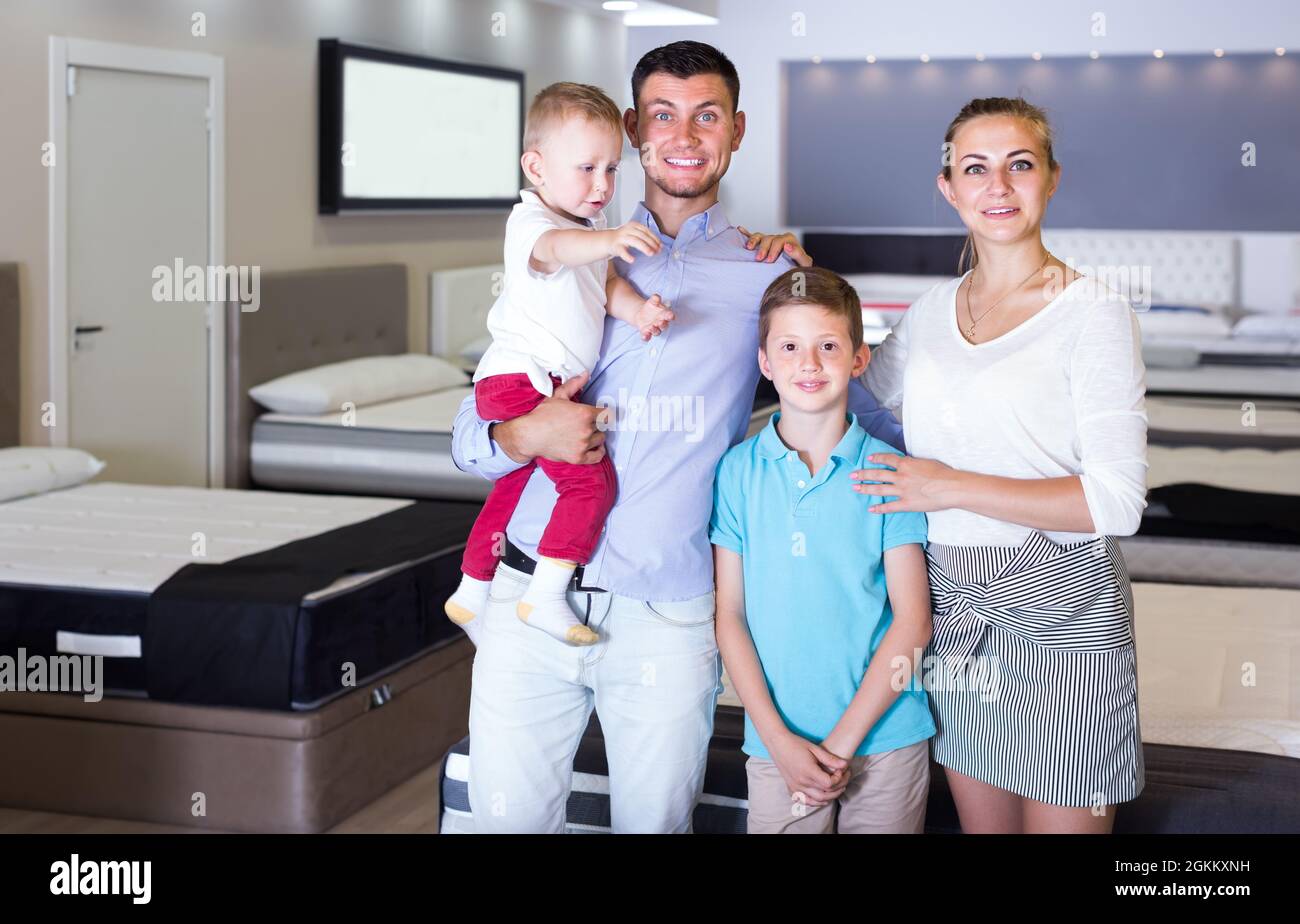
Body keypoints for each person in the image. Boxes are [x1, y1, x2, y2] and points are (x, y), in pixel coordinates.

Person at [449, 41, 900, 833]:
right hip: (526, 595)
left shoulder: (770, 278)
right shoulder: (561, 258)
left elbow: (869, 410)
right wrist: (527, 433)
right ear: (632, 128)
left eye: (706, 116)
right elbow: (468, 435)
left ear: (737, 131)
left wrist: (815, 282)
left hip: (668, 614)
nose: (684, 135)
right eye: (662, 115)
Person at [851, 97, 1149, 833]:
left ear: (1051, 178)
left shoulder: (1094, 313)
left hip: (1065, 612)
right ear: (949, 187)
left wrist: (945, 485)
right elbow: (852, 403)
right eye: (975, 169)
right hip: (950, 605)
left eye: (1019, 165)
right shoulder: (929, 312)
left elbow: (1117, 502)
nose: (998, 187)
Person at [444, 82, 673, 647]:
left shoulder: (590, 235)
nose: (603, 185)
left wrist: (639, 310)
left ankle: (472, 587)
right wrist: (614, 238)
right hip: (519, 381)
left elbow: (606, 286)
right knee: (590, 485)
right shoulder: (533, 225)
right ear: (536, 167)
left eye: (612, 170)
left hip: (537, 386)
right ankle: (545, 594)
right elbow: (557, 251)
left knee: (514, 488)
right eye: (587, 168)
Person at [711, 266, 935, 834]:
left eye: (828, 346)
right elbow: (730, 617)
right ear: (764, 362)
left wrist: (842, 743)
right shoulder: (737, 473)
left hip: (885, 737)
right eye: (789, 347)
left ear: (859, 359)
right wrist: (777, 739)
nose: (808, 364)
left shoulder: (890, 471)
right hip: (777, 745)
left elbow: (913, 621)